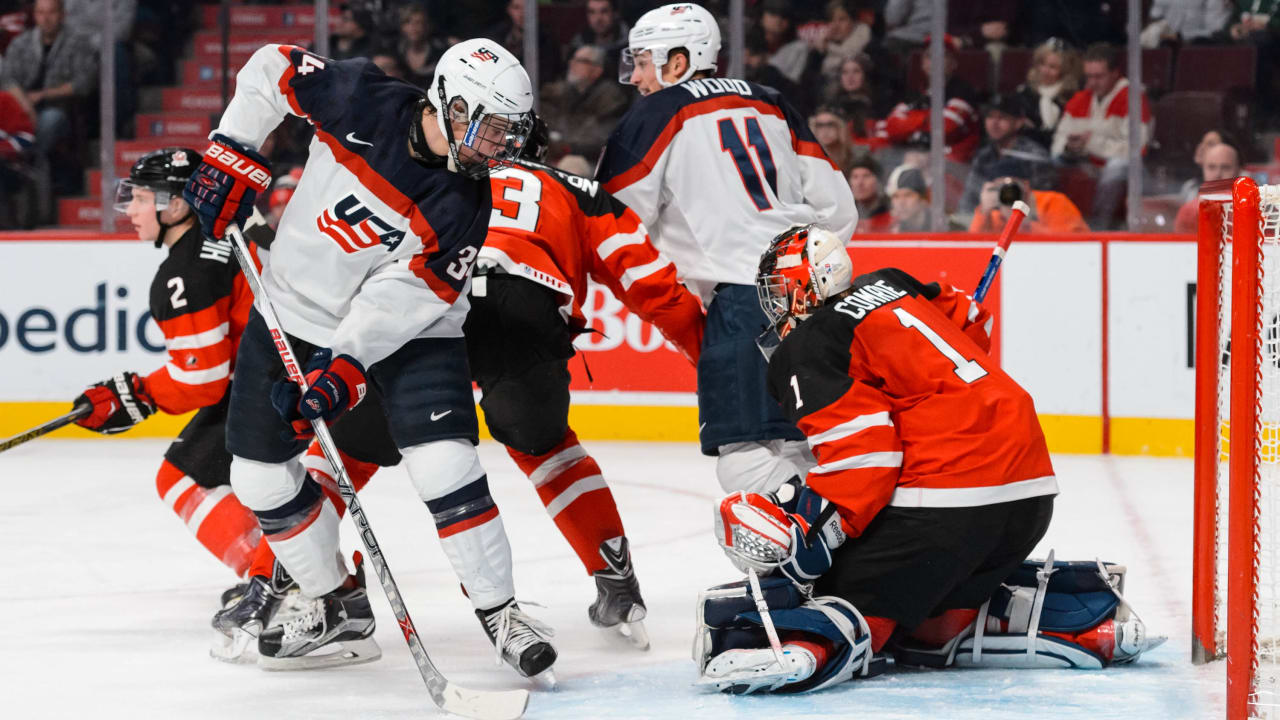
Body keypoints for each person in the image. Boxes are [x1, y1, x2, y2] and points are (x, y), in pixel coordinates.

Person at [181, 39, 557, 680]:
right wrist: (233, 149)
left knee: (444, 464)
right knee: (259, 478)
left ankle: (501, 613)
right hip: (295, 309)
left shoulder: (465, 201)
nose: (501, 147)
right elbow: (274, 64)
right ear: (453, 103)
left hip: (416, 333)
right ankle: (332, 605)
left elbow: (406, 295)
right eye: (491, 128)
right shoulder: (362, 97)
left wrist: (346, 363)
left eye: (508, 133)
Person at [697, 225, 1162, 693]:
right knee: (929, 630)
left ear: (805, 286)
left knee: (839, 596)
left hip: (950, 499)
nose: (776, 306)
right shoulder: (895, 283)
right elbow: (974, 319)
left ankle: (804, 651)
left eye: (778, 291)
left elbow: (865, 459)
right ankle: (1077, 625)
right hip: (1030, 490)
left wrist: (810, 537)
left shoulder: (809, 342)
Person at [70, 149, 400, 665]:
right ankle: (285, 579)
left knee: (186, 477)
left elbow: (201, 380)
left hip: (297, 379)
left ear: (176, 205)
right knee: (310, 479)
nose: (128, 210)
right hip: (347, 368)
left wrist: (139, 394)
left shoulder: (186, 270)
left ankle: (275, 579)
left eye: (138, 198)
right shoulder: (237, 234)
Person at [462, 118, 704, 647]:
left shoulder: (445, 165)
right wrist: (709, 360)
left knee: (374, 434)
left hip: (438, 297)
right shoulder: (579, 191)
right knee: (546, 449)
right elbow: (652, 287)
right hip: (526, 304)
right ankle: (615, 581)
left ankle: (300, 584)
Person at [598, 2, 857, 495]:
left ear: (678, 61)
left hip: (743, 300)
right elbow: (839, 209)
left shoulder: (656, 113)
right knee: (802, 443)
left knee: (748, 458)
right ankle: (833, 564)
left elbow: (611, 219)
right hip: (815, 297)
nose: (635, 77)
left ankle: (796, 567)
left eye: (643, 61)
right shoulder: (773, 102)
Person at [0, 0, 97, 201]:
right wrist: (26, 106)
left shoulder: (78, 42)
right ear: (34, 15)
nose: (46, 18)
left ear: (62, 14)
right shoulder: (22, 43)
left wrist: (44, 95)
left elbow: (83, 83)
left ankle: (29, 163)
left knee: (49, 121)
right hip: (21, 108)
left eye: (51, 12)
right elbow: (8, 78)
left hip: (58, 108)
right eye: (41, 12)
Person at [1051, 42, 1152, 230]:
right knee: (1053, 162)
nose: (1092, 83)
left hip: (1128, 171)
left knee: (1116, 167)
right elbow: (1058, 141)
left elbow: (1136, 148)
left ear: (1115, 73)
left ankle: (1099, 228)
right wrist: (1069, 147)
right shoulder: (1079, 99)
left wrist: (1091, 143)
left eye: (1099, 76)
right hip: (1086, 163)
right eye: (1088, 76)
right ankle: (1059, 224)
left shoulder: (1132, 98)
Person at [876, 35, 981, 164]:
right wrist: (925, 120)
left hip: (952, 166)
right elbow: (892, 128)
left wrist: (911, 121)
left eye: (942, 55)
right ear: (923, 63)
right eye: (929, 56)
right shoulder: (915, 93)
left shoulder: (963, 92)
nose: (935, 60)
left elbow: (945, 129)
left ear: (953, 63)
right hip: (915, 160)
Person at [958, 94, 1052, 216]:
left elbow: (1044, 205)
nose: (994, 123)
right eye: (990, 117)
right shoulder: (983, 156)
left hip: (1025, 226)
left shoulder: (1035, 156)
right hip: (987, 227)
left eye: (1002, 117)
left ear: (1019, 122)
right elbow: (969, 201)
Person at [539, 44, 630, 159]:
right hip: (554, 152)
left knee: (571, 164)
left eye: (581, 61)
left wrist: (565, 146)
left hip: (589, 161)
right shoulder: (557, 92)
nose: (572, 64)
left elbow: (601, 139)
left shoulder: (610, 98)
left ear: (597, 70)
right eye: (573, 59)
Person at [969, 157, 1089, 234]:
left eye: (1012, 186)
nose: (1008, 192)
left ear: (1026, 185)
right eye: (1001, 187)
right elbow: (975, 249)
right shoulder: (993, 212)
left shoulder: (1053, 201)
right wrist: (984, 212)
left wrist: (1021, 222)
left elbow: (1069, 244)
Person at [1013, 39, 1082, 150]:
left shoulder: (1073, 96)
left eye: (1052, 67)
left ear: (1065, 70)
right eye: (1042, 64)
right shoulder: (1024, 92)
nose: (1045, 71)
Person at [1175, 137, 1242, 233]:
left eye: (1226, 167)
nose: (1218, 174)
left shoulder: (1252, 211)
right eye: (1211, 167)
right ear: (1203, 169)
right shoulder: (1188, 212)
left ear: (1238, 170)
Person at [396, 3, 446, 89]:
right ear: (402, 27)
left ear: (427, 26)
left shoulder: (440, 51)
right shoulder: (397, 53)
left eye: (418, 22)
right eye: (408, 22)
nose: (413, 27)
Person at [1141, 0, 1231, 46]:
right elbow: (1155, 17)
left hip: (1199, 47)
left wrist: (1180, 35)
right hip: (1166, 44)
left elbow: (1214, 30)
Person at [847, 156, 891, 233]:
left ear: (878, 181)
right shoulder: (845, 214)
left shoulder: (890, 210)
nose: (859, 183)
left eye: (866, 176)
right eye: (855, 177)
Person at [809, 106, 857, 174]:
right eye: (819, 125)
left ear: (841, 127)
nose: (825, 130)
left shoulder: (856, 157)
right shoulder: (808, 159)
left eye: (830, 124)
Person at [886, 164, 931, 232]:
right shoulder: (889, 229)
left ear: (922, 199)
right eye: (896, 196)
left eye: (908, 195)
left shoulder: (943, 226)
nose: (901, 203)